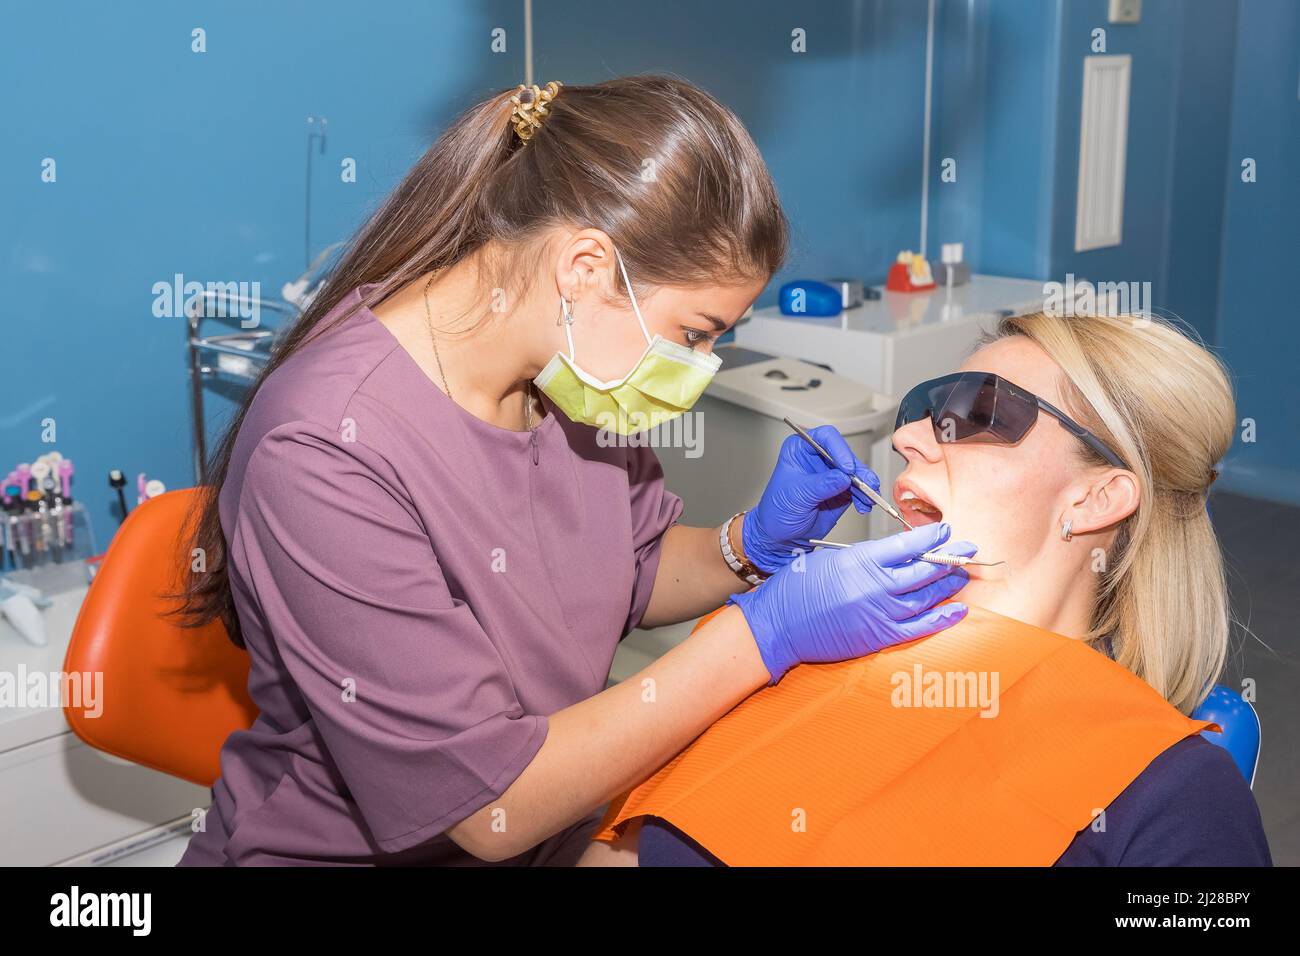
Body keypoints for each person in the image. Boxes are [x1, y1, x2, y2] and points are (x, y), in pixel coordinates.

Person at [174, 75, 971, 866]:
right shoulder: (325, 447)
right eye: (695, 332)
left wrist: (751, 546)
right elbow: (491, 806)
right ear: (587, 267)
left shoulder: (571, 381)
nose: (702, 364)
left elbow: (625, 567)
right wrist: (764, 635)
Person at [587, 311, 1272, 867]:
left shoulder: (1170, 792)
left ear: (1097, 499)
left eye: (978, 412)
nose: (910, 437)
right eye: (923, 408)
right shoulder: (776, 650)